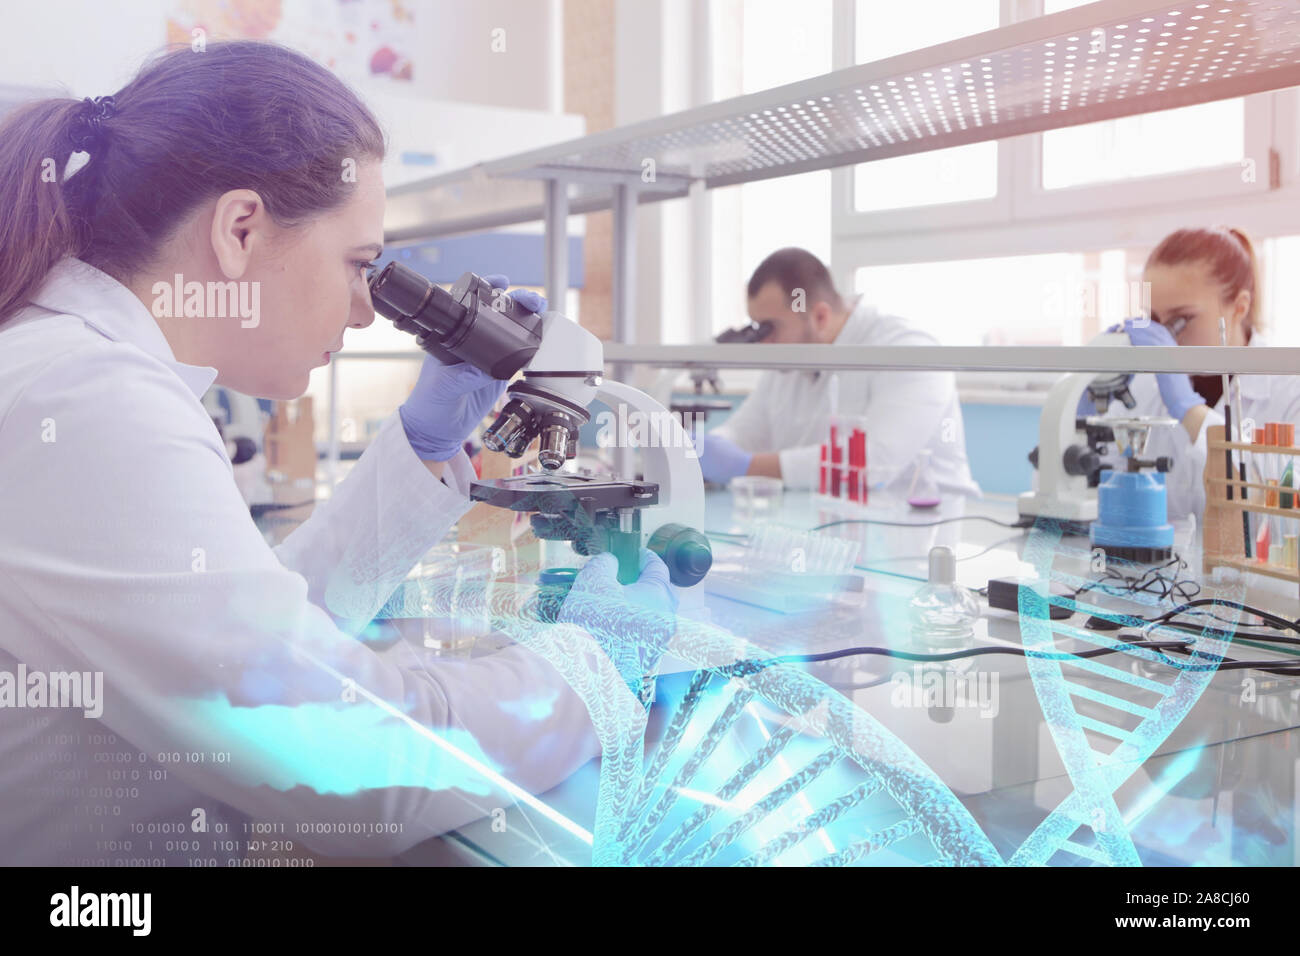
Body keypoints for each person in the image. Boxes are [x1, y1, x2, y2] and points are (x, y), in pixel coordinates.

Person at [0, 41, 669, 865]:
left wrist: (423, 448)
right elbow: (358, 767)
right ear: (240, 228)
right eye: (359, 266)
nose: (364, 312)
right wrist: (598, 667)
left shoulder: (86, 371)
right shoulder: (90, 400)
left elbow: (253, 636)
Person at [696, 247, 980, 499]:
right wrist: (711, 449)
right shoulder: (791, 357)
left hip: (928, 527)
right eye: (757, 328)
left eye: (771, 328)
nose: (763, 341)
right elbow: (746, 431)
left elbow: (876, 461)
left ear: (820, 316)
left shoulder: (907, 348)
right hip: (840, 520)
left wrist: (746, 467)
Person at [1091, 227, 1297, 524]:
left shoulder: (1290, 388)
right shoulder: (1144, 388)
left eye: (1180, 320)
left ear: (1239, 307)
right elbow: (1077, 505)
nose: (1165, 337)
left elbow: (1287, 515)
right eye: (1155, 321)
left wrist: (1190, 411)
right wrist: (1080, 412)